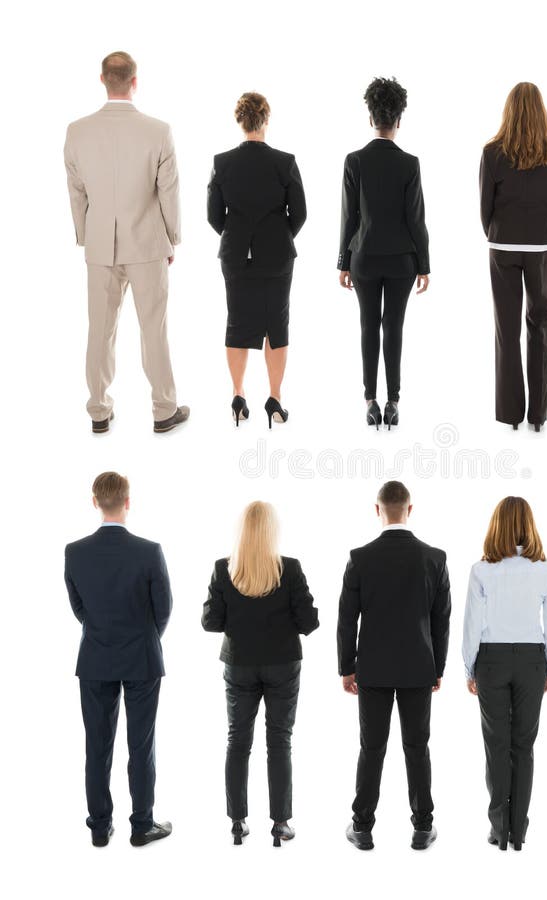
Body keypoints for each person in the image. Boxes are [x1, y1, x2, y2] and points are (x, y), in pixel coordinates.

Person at [64, 51, 189, 434]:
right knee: (154, 329)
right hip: (147, 243)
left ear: (102, 79)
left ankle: (98, 411)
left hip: (101, 245)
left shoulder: (77, 131)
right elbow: (169, 191)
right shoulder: (158, 130)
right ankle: (164, 409)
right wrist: (172, 239)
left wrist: (87, 237)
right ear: (135, 82)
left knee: (99, 329)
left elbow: (76, 191)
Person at [337, 481, 450, 850]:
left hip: (373, 668)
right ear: (410, 509)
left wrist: (346, 667)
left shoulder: (360, 557)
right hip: (419, 665)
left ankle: (363, 826)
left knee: (372, 748)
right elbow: (441, 620)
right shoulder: (435, 558)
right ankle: (422, 827)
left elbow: (346, 619)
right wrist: (438, 668)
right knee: (417, 747)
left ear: (378, 510)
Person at [64, 472, 173, 847]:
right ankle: (142, 825)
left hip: (95, 657)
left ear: (95, 502)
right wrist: (143, 637)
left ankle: (99, 827)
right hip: (141, 657)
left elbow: (79, 607)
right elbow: (164, 609)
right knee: (141, 745)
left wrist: (103, 632)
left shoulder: (75, 551)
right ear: (128, 502)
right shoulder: (149, 551)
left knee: (96, 746)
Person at [202, 502, 319, 847]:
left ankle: (238, 822)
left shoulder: (224, 569)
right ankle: (280, 823)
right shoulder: (290, 569)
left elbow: (210, 622)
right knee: (279, 741)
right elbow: (309, 623)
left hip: (239, 663)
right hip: (283, 663)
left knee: (237, 740)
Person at [462, 497, 547, 851]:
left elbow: (472, 623)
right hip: (532, 658)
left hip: (492, 659)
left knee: (496, 746)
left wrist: (469, 665)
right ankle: (519, 830)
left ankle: (499, 828)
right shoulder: (546, 569)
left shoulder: (482, 569)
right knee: (524, 746)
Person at [208, 93, 306, 428]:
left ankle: (238, 395)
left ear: (240, 121)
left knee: (236, 322)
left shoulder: (222, 163)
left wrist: (236, 236)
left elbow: (213, 217)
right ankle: (275, 399)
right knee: (276, 325)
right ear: (266, 120)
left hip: (235, 255)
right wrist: (278, 236)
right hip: (278, 256)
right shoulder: (284, 161)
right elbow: (301, 214)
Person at [337, 77, 430, 430]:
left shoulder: (354, 160)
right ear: (399, 120)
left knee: (367, 325)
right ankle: (393, 401)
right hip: (402, 260)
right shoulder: (410, 164)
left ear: (371, 118)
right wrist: (424, 265)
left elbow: (349, 217)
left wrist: (343, 262)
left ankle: (370, 401)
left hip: (363, 256)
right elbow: (416, 219)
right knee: (394, 326)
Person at [480, 83, 547, 432]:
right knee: (541, 326)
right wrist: (541, 232)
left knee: (507, 330)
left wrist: (501, 232)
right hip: (542, 247)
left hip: (503, 246)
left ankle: (511, 415)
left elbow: (484, 208)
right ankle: (538, 415)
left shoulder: (492, 153)